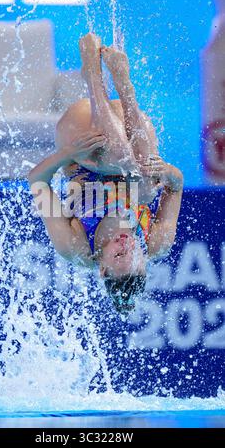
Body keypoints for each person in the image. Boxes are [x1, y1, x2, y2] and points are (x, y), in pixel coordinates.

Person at [28, 33, 183, 314]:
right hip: (131, 130)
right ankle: (125, 89)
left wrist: (68, 153)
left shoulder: (74, 246)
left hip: (84, 138)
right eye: (134, 253)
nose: (127, 244)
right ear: (144, 262)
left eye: (118, 254)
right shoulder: (157, 243)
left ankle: (93, 76)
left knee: (128, 167)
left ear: (102, 269)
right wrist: (168, 171)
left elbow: (37, 181)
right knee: (148, 183)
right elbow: (175, 184)